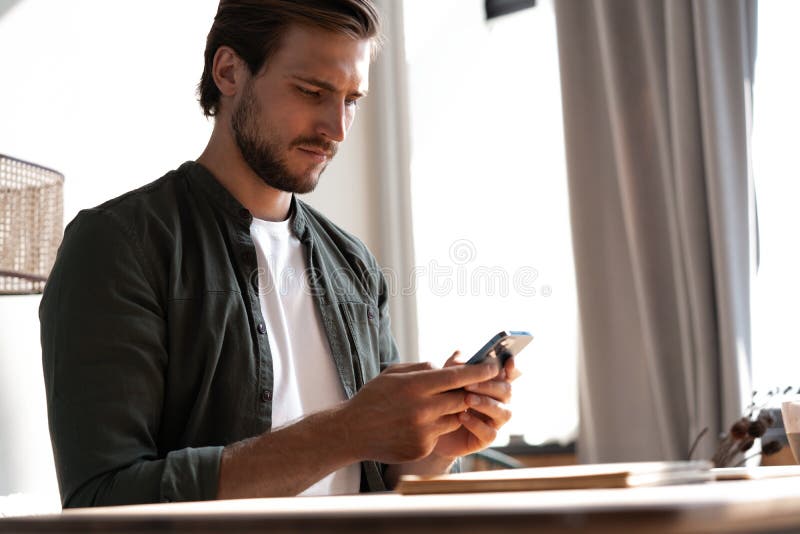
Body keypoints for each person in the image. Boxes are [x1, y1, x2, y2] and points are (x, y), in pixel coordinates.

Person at [39, 0, 518, 507]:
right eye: (311, 91)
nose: (336, 127)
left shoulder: (353, 265)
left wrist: (432, 450)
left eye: (352, 99)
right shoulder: (119, 246)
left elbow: (373, 475)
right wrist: (344, 431)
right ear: (228, 72)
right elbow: (102, 498)